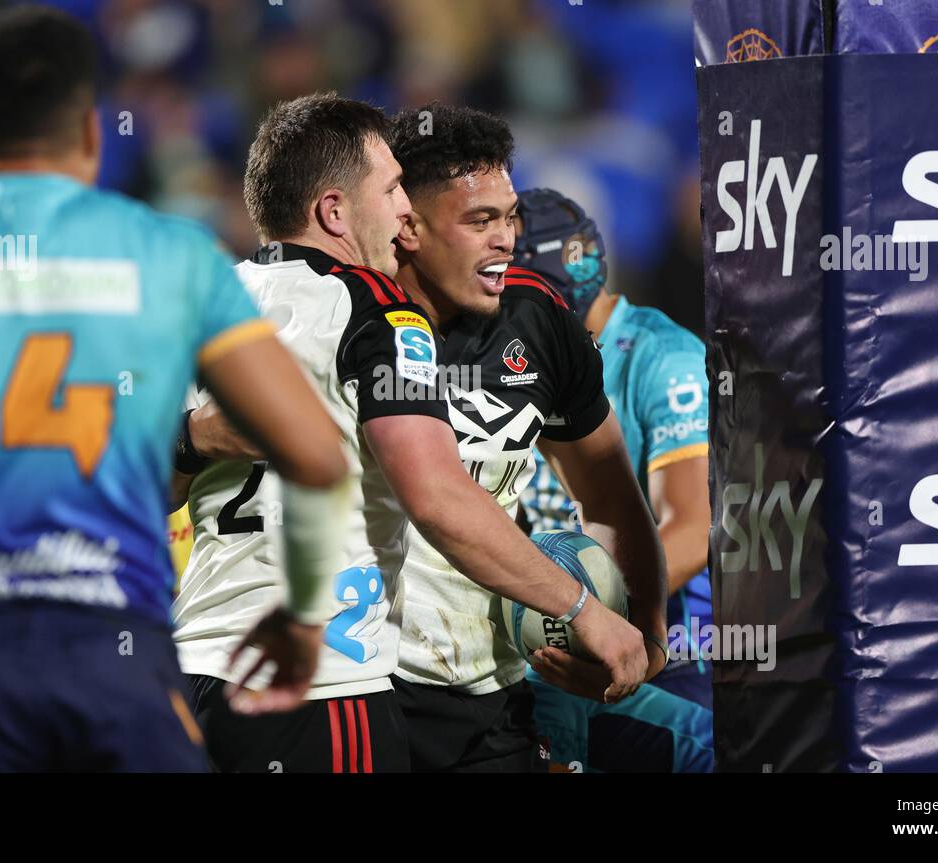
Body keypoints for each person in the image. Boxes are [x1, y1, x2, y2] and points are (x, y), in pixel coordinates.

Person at [0, 5, 350, 772]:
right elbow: (315, 452)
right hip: (119, 671)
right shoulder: (174, 258)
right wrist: (302, 616)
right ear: (90, 134)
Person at [169, 94, 652, 772]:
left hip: (197, 675)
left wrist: (199, 437)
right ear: (335, 210)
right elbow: (436, 497)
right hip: (327, 684)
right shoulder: (380, 314)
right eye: (391, 190)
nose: (401, 214)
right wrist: (582, 607)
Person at [384, 103, 669, 772]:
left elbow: (610, 498)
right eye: (479, 221)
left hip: (490, 692)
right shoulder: (348, 321)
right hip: (362, 685)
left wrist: (647, 634)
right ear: (410, 226)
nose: (506, 239)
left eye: (509, 216)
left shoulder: (539, 322)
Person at [514, 187, 714, 772]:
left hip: (666, 638)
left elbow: (692, 525)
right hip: (552, 620)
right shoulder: (524, 354)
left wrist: (587, 609)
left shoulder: (663, 357)